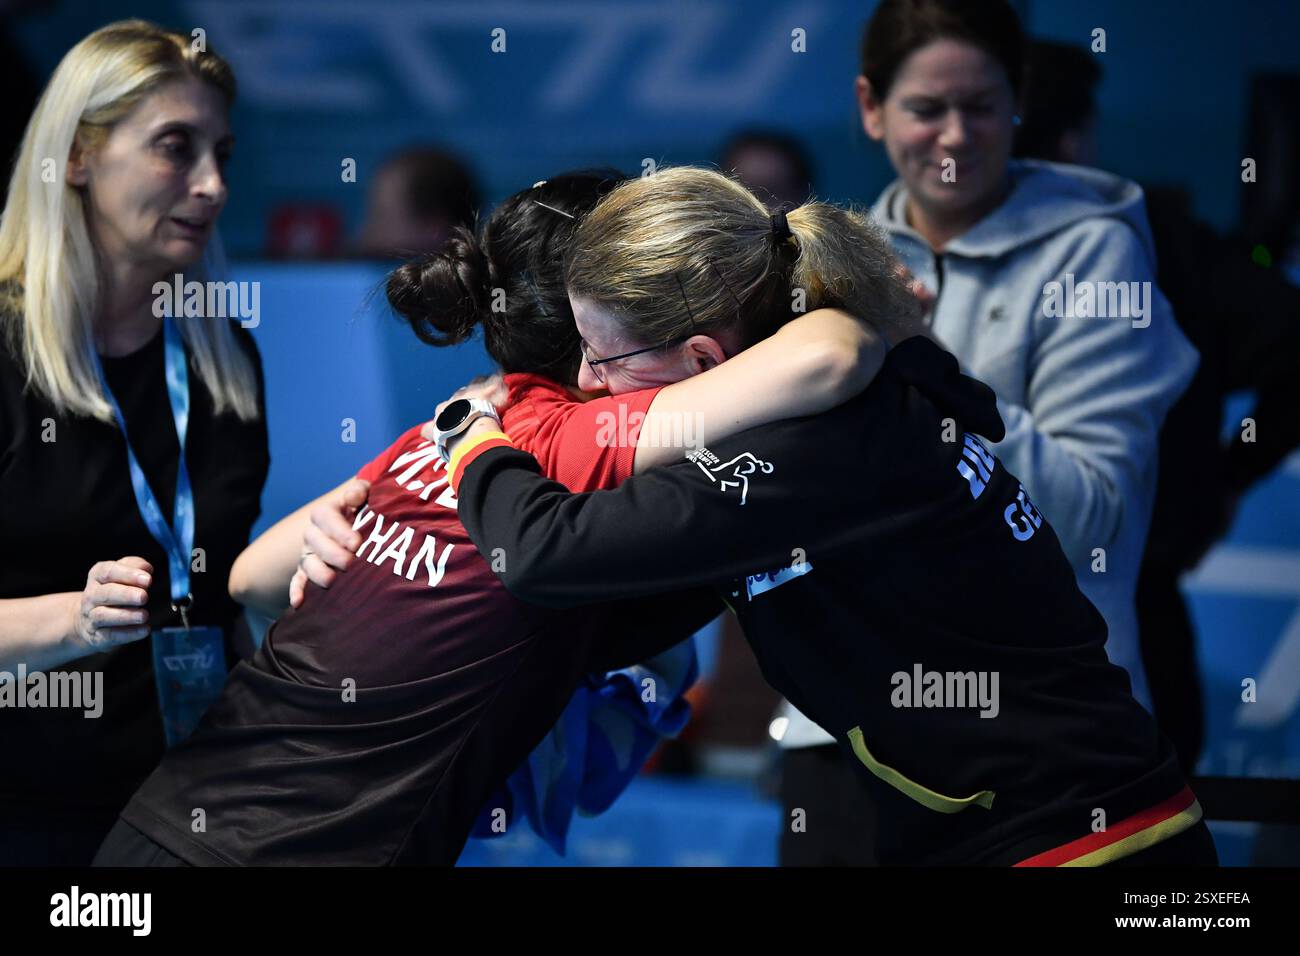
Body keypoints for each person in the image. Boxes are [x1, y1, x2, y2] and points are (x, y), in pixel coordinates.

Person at [93, 171, 892, 865]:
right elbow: (832, 355)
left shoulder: (449, 424)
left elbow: (250, 577)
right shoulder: (569, 436)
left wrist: (340, 544)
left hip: (165, 817)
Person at [441, 164, 1216, 866]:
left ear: (704, 362)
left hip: (1083, 841)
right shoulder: (829, 402)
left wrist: (472, 437)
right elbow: (645, 598)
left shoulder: (800, 450)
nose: (584, 379)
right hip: (1044, 825)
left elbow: (541, 554)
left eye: (600, 357)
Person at [773, 0, 1201, 863]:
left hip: (1042, 746)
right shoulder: (823, 258)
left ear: (1021, 101)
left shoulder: (1097, 257)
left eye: (980, 105)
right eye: (927, 108)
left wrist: (922, 356)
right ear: (870, 107)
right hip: (843, 735)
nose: (956, 137)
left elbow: (1089, 517)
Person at [0, 20, 269, 865]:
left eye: (221, 152)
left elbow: (222, 587)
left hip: (197, 797)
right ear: (76, 158)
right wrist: (74, 621)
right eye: (175, 148)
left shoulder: (222, 351)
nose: (213, 184)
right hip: (29, 808)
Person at [1014, 36, 1300, 777]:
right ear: (1079, 136)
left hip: (1096, 616)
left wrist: (1229, 475)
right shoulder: (1156, 237)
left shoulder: (1156, 242)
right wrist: (1230, 476)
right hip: (1080, 623)